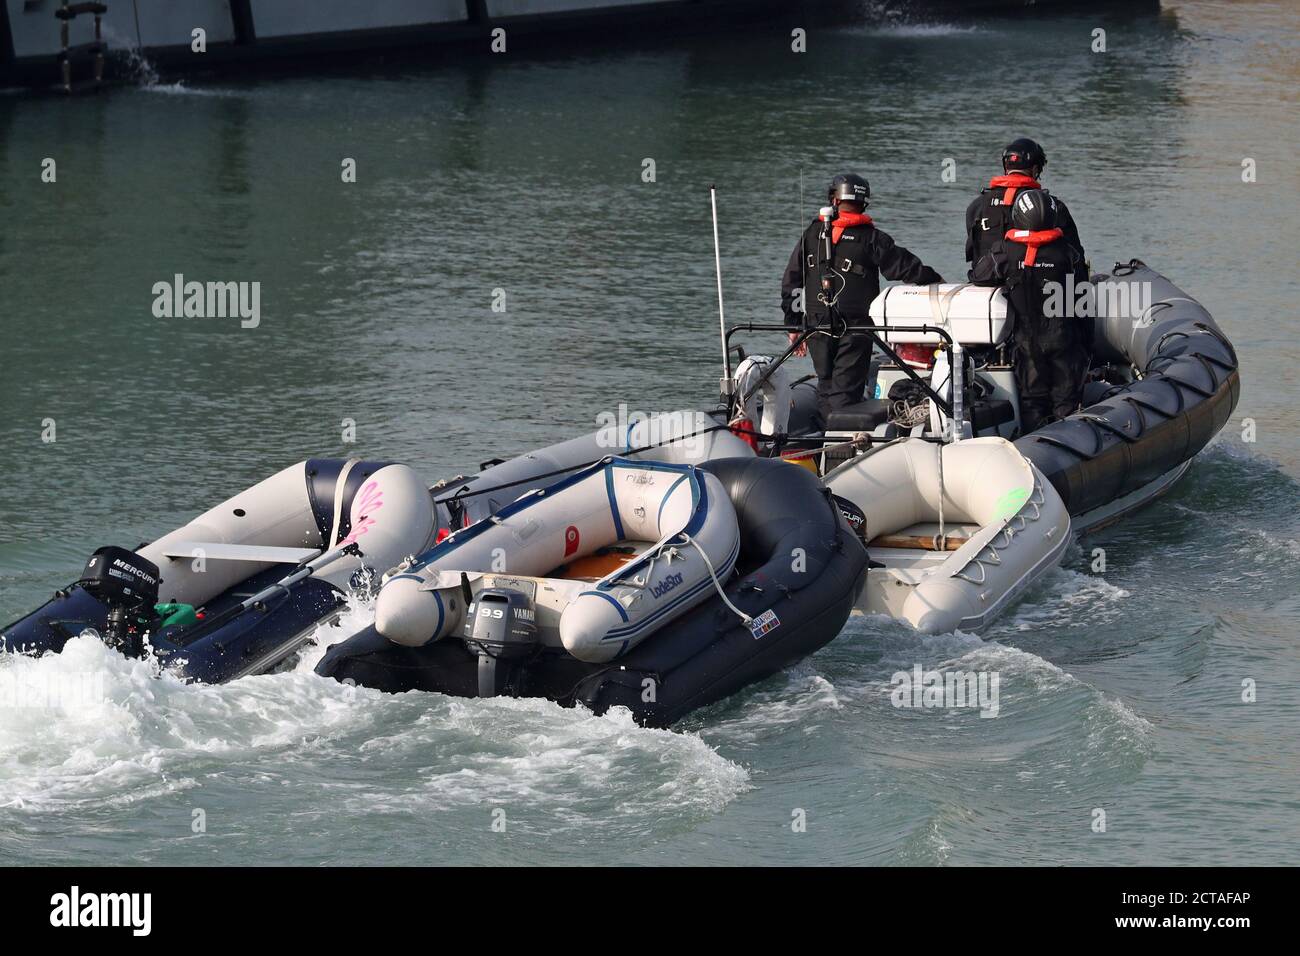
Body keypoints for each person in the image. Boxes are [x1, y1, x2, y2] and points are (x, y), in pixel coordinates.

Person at [781, 173, 943, 418]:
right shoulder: (871, 238)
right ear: (863, 203)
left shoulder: (811, 234)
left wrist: (794, 325)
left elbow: (792, 281)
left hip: (816, 326)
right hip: (855, 329)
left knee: (826, 385)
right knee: (846, 391)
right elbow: (905, 267)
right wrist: (936, 280)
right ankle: (840, 444)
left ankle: (826, 435)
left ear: (834, 201)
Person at [971, 188, 1090, 433]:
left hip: (1026, 343)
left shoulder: (1005, 251)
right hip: (1063, 339)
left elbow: (978, 275)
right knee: (1066, 403)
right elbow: (1082, 300)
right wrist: (1087, 344)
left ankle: (1035, 448)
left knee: (1033, 402)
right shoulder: (1067, 253)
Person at [965, 137, 1084, 269]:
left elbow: (974, 251)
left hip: (983, 282)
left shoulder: (977, 206)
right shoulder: (1051, 207)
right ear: (1035, 170)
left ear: (1006, 166)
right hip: (1031, 281)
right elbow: (1075, 255)